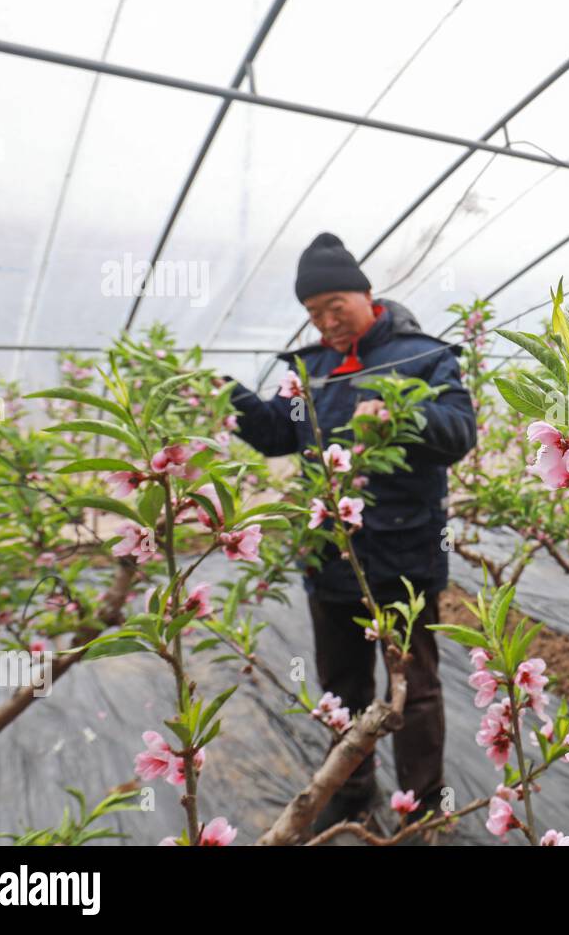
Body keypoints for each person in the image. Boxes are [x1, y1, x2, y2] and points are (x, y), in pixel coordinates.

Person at [227, 232, 477, 832]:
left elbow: (460, 433)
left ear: (368, 294)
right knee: (341, 687)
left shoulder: (424, 358)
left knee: (412, 690)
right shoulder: (310, 370)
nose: (326, 320)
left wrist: (406, 414)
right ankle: (352, 794)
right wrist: (229, 400)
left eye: (335, 304)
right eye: (313, 312)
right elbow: (276, 435)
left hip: (404, 557)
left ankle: (422, 805)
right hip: (331, 558)